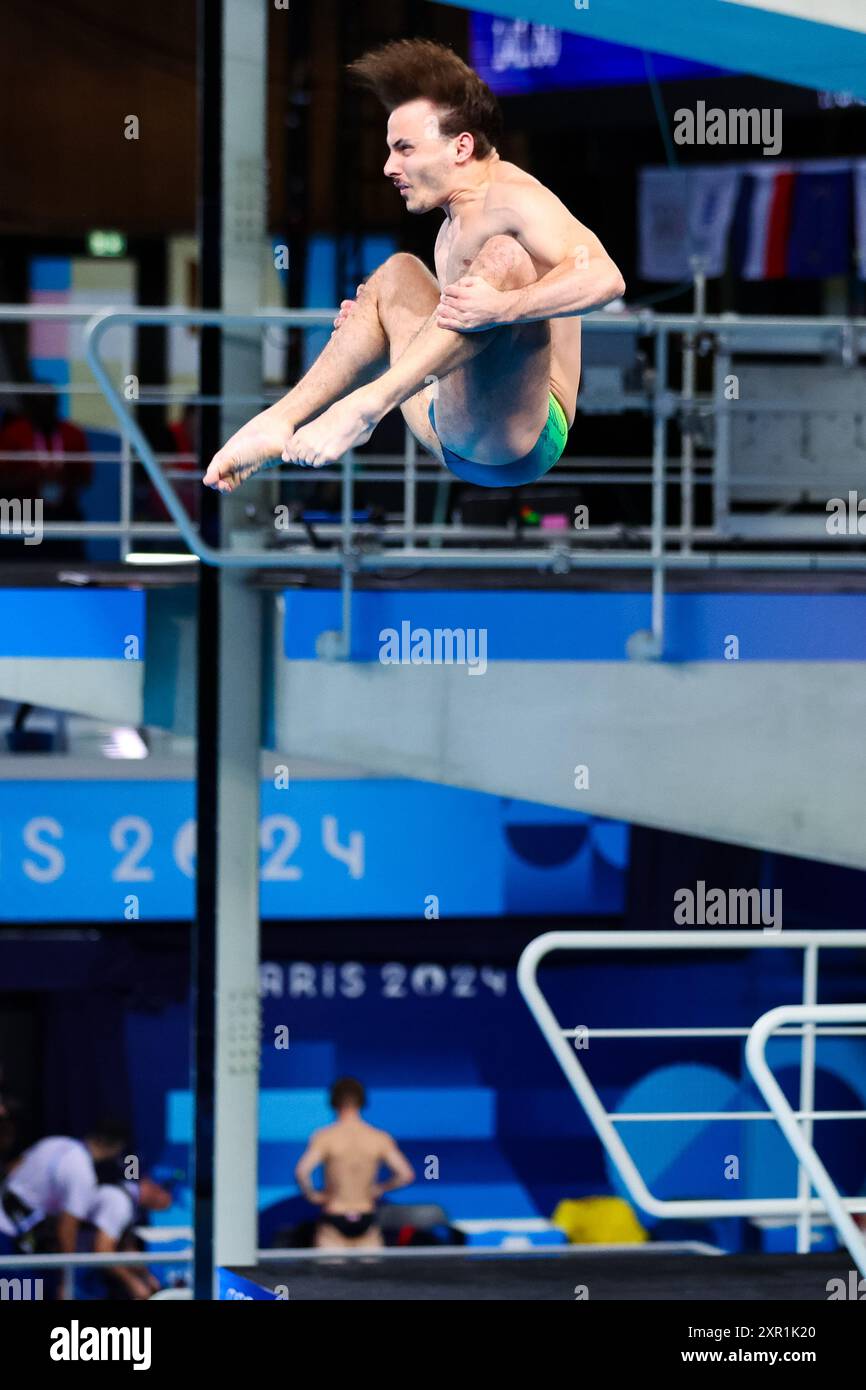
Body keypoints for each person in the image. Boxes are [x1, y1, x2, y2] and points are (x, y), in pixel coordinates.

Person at [203, 38, 625, 496]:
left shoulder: (516, 199)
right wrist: (375, 330)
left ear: (461, 147)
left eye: (404, 149)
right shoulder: (450, 225)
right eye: (389, 150)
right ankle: (277, 419)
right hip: (448, 423)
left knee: (504, 257)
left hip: (524, 438)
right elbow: (456, 341)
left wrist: (506, 306)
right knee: (396, 275)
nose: (388, 167)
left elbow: (606, 277)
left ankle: (366, 407)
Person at [294, 1077, 414, 1249]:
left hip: (335, 1215)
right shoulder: (379, 1138)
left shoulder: (325, 1137)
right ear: (363, 1101)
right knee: (369, 1276)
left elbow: (301, 1172)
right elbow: (406, 1175)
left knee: (330, 1276)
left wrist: (313, 1196)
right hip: (366, 1215)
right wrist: (380, 1188)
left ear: (333, 1102)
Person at [0, 1121, 126, 1263]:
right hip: (9, 1238)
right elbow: (66, 1231)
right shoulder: (83, 1174)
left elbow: (11, 1169)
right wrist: (67, 1277)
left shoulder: (53, 1142)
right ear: (116, 1148)